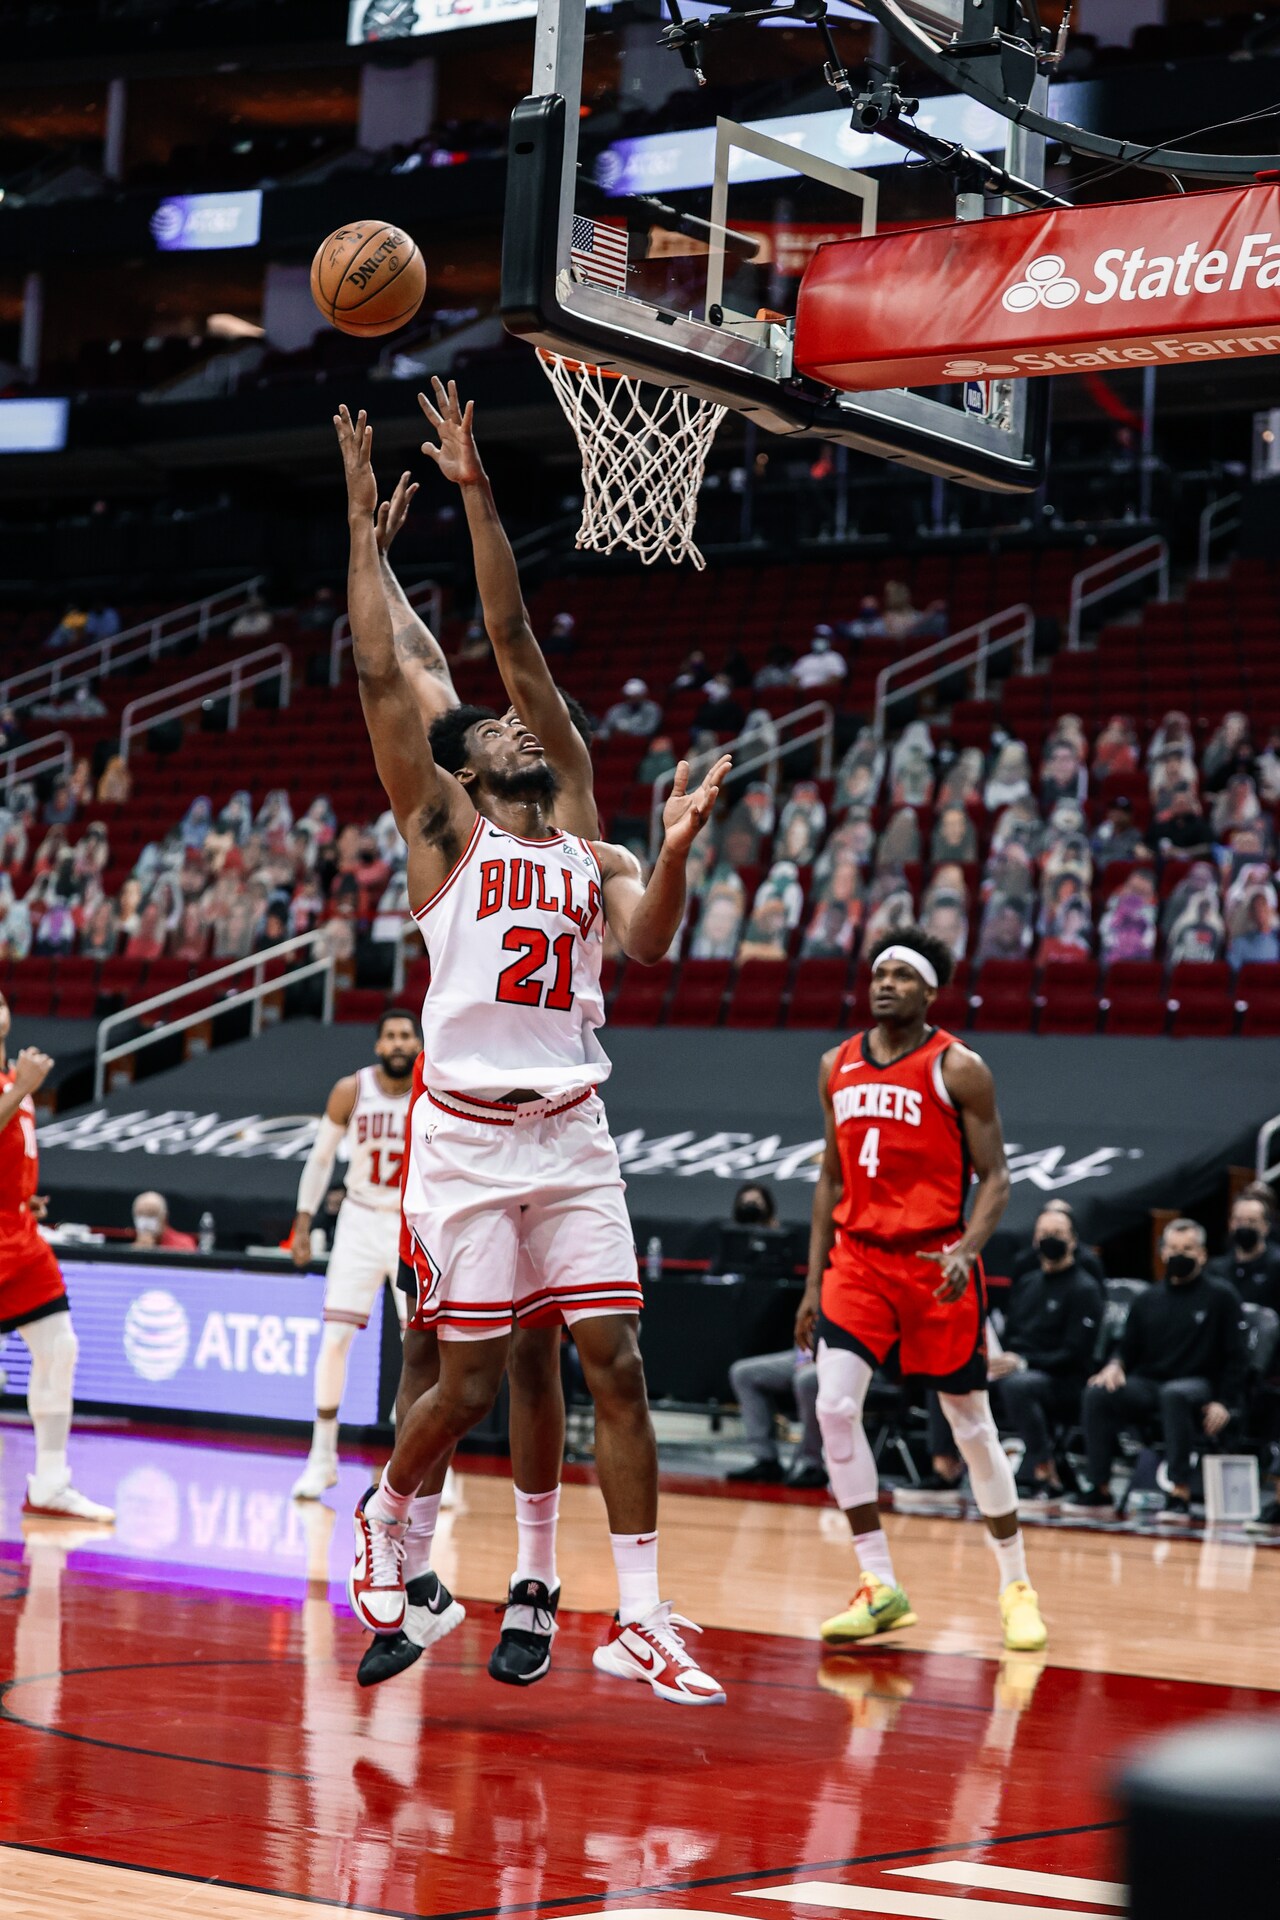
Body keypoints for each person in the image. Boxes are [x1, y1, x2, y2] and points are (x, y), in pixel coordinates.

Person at [338, 393, 728, 1705]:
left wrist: (479, 497)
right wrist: (362, 538)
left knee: (614, 1359)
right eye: (493, 729)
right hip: (461, 1142)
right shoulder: (447, 842)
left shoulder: (586, 836)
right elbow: (387, 675)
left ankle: (645, 1612)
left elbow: (654, 942)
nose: (516, 723)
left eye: (521, 724)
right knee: (458, 1390)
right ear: (461, 769)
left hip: (570, 1135)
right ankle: (391, 1509)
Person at [795, 926, 1047, 1654]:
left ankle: (1015, 1585)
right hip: (860, 1261)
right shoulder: (834, 1066)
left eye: (903, 976)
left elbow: (997, 1176)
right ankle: (880, 1585)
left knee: (970, 1424)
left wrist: (969, 1247)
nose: (885, 985)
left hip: (936, 1260)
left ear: (930, 990)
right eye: (879, 973)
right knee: (835, 1407)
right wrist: (812, 1283)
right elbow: (829, 1180)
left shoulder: (958, 1067)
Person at [288, 1009, 420, 1499]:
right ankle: (322, 1456)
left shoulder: (434, 1086)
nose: (399, 1042)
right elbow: (321, 1160)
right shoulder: (352, 1090)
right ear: (378, 1046)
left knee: (420, 1348)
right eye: (390, 1035)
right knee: (336, 1337)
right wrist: (304, 1223)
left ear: (418, 1042)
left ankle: (422, 1465)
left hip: (413, 1224)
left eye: (407, 1035)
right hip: (360, 1220)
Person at [0, 998, 113, 1523]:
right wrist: (22, 1086)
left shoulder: (13, 1081)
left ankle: (49, 1483)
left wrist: (25, 1195)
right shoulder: (18, 1084)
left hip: (19, 1233)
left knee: (60, 1348)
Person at [1068, 1219, 1246, 1522]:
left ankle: (1179, 1493)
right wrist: (1115, 1366)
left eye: (1187, 1249)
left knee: (1174, 1394)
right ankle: (1099, 1487)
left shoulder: (1221, 1297)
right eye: (1173, 1248)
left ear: (1202, 1254)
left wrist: (1225, 1402)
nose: (1179, 1255)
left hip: (1199, 1384)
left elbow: (1236, 1357)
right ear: (1162, 1252)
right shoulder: (1148, 1298)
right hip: (1151, 1383)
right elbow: (1127, 1348)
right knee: (1098, 1391)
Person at [988, 1208, 1104, 1501]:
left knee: (1017, 1385)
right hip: (1017, 1369)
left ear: (1074, 1241)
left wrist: (1023, 1362)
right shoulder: (1028, 1283)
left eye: (1057, 1234)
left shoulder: (1085, 1288)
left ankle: (1044, 1466)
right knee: (951, 1376)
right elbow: (1010, 1336)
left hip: (1062, 1379)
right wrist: (997, 1357)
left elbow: (1075, 1353)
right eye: (1043, 1234)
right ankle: (946, 1468)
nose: (1049, 1240)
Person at [1205, 1193, 1280, 1315]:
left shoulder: (1276, 1266)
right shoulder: (1216, 1269)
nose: (1245, 1226)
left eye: (1252, 1221)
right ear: (1230, 1224)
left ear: (1266, 1226)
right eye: (1239, 1220)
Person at [131, 1191, 197, 1251]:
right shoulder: (133, 1247)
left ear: (164, 1217)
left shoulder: (183, 1245)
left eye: (151, 1214)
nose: (145, 1222)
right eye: (140, 1214)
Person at [791, 627, 847, 691]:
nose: (819, 640)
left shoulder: (835, 657)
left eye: (823, 638)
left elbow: (836, 678)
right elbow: (794, 678)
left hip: (823, 693)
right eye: (817, 637)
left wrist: (815, 689)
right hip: (803, 694)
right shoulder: (804, 659)